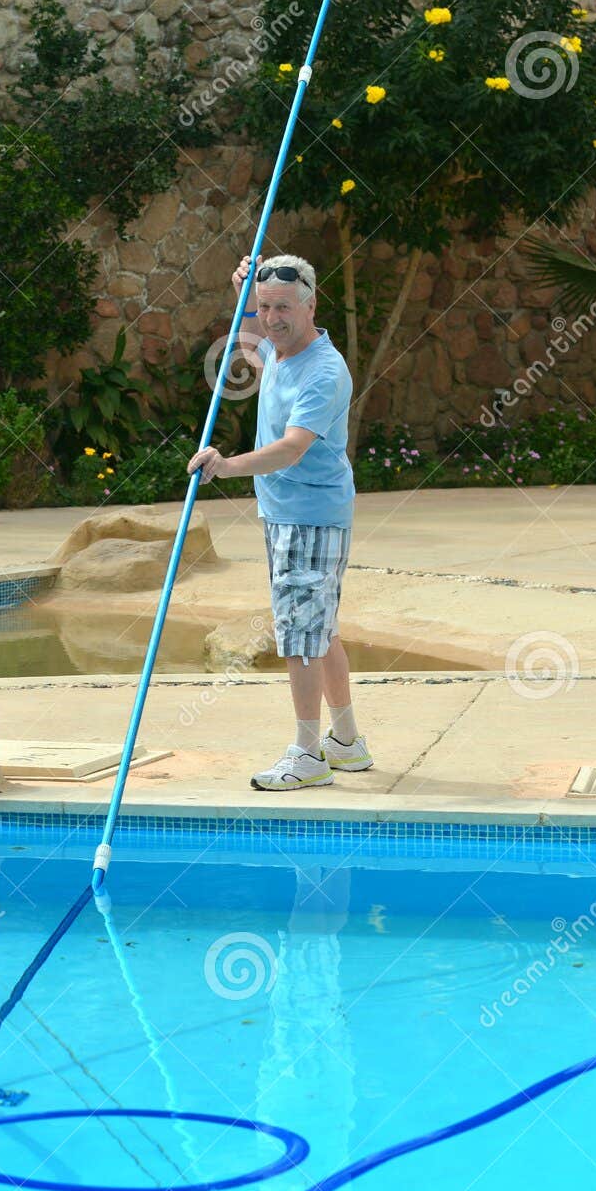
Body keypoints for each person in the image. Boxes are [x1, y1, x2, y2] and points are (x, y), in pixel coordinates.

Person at [187, 253, 373, 789]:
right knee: (321, 631)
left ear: (312, 303)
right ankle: (346, 742)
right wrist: (244, 288)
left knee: (298, 638)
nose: (272, 318)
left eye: (283, 307)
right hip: (288, 513)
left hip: (309, 517)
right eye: (266, 307)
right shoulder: (280, 349)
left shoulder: (324, 370)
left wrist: (226, 467)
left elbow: (291, 449)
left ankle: (308, 754)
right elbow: (250, 342)